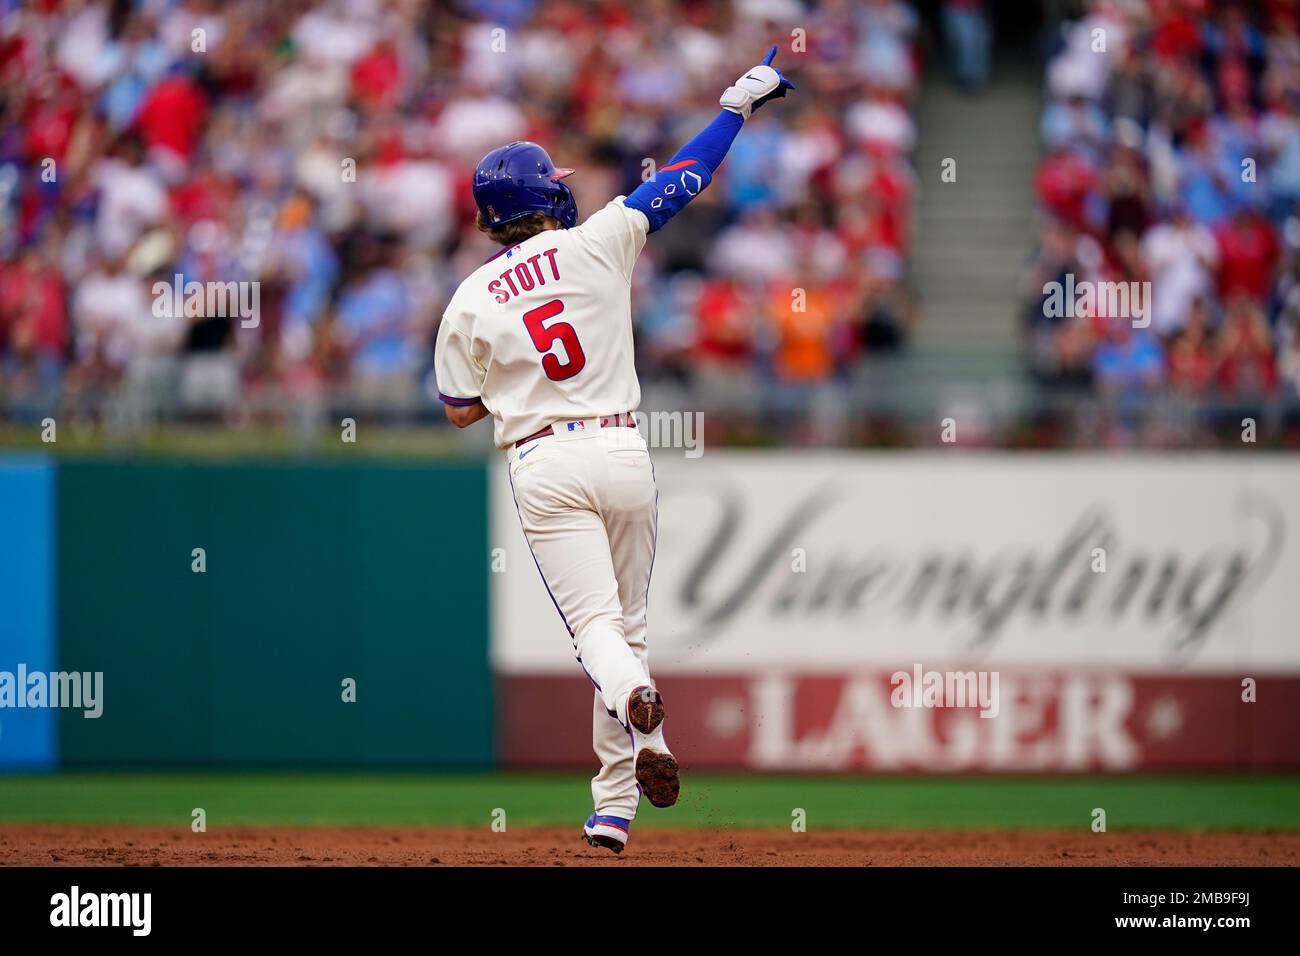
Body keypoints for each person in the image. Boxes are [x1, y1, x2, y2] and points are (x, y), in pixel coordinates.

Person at [433, 48, 794, 854]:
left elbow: (458, 410)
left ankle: (638, 702)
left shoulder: (468, 298)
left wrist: (515, 385)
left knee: (599, 633)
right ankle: (620, 799)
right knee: (625, 627)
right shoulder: (599, 242)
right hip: (625, 450)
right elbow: (685, 177)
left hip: (544, 461)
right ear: (547, 196)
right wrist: (738, 105)